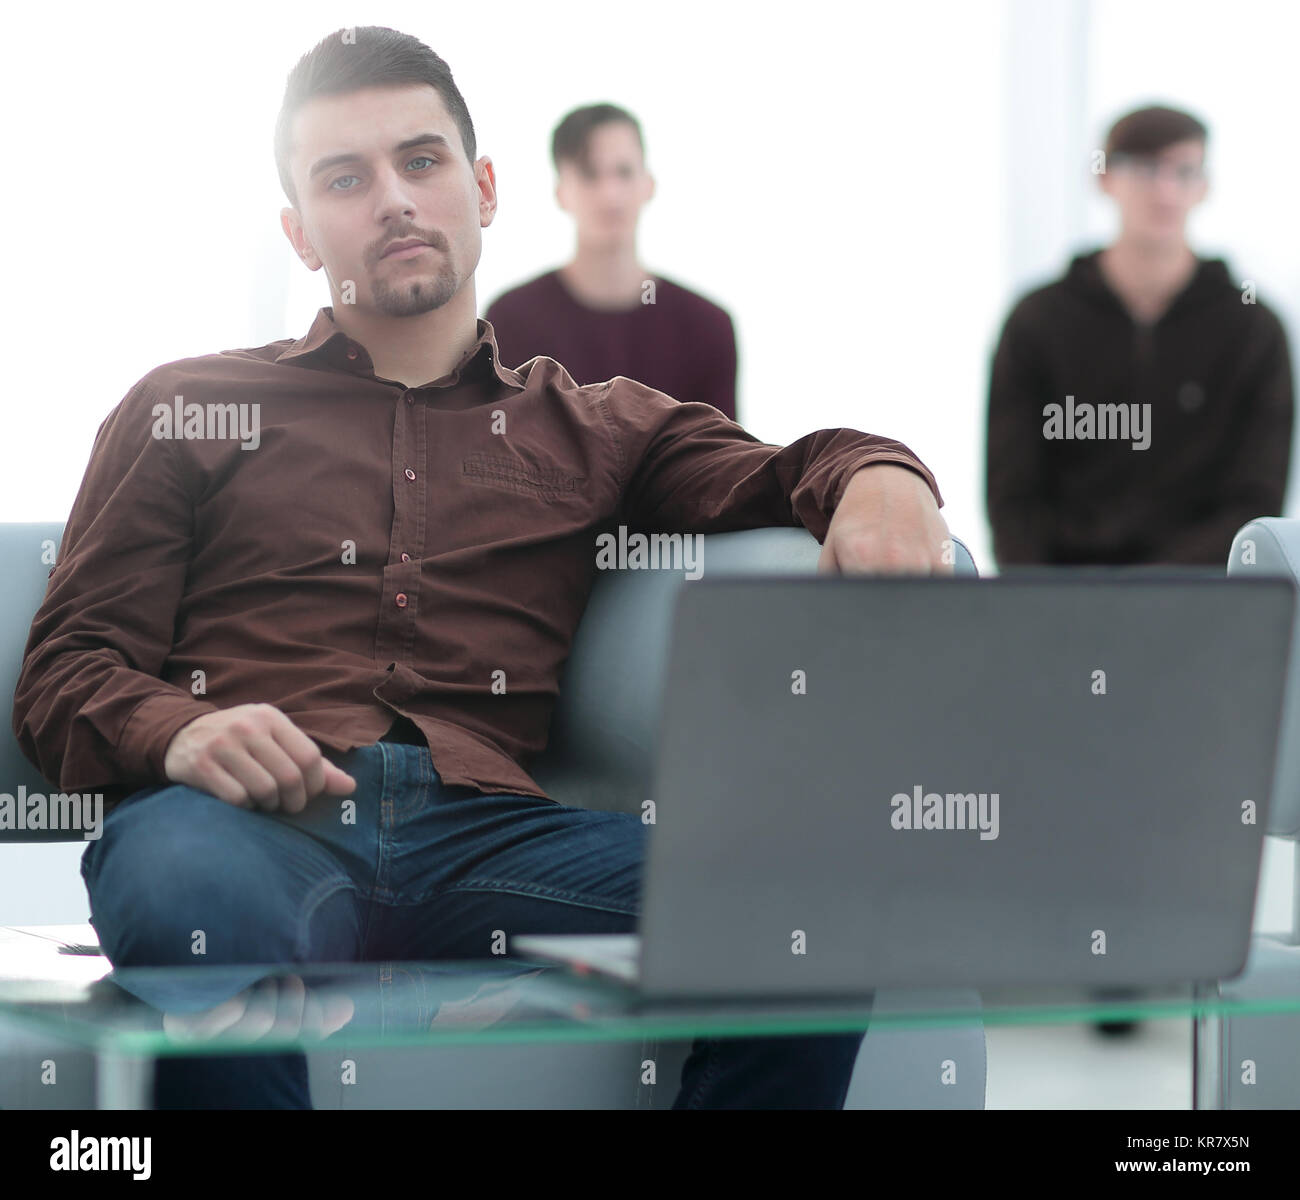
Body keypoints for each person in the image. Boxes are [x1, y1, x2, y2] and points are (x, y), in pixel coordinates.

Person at [13, 25, 950, 1109]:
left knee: (810, 905)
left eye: (422, 161)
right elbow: (63, 674)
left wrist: (885, 476)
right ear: (300, 232)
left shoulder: (595, 425)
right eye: (345, 178)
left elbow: (794, 468)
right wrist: (183, 728)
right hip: (250, 831)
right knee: (182, 887)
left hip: (493, 835)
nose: (395, 201)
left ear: (486, 187)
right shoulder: (185, 406)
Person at [986, 104, 1293, 569]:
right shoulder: (1037, 321)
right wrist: (1042, 606)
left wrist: (1154, 594)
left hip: (1204, 606)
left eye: (1184, 171)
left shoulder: (1253, 328)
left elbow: (1256, 499)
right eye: (1146, 169)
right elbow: (1013, 499)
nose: (1165, 190)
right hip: (1064, 603)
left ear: (1204, 187)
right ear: (1104, 178)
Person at [485, 104, 739, 421]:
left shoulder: (706, 327)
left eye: (623, 172)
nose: (610, 194)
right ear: (561, 192)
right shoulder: (512, 320)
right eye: (590, 174)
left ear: (648, 184)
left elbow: (726, 463)